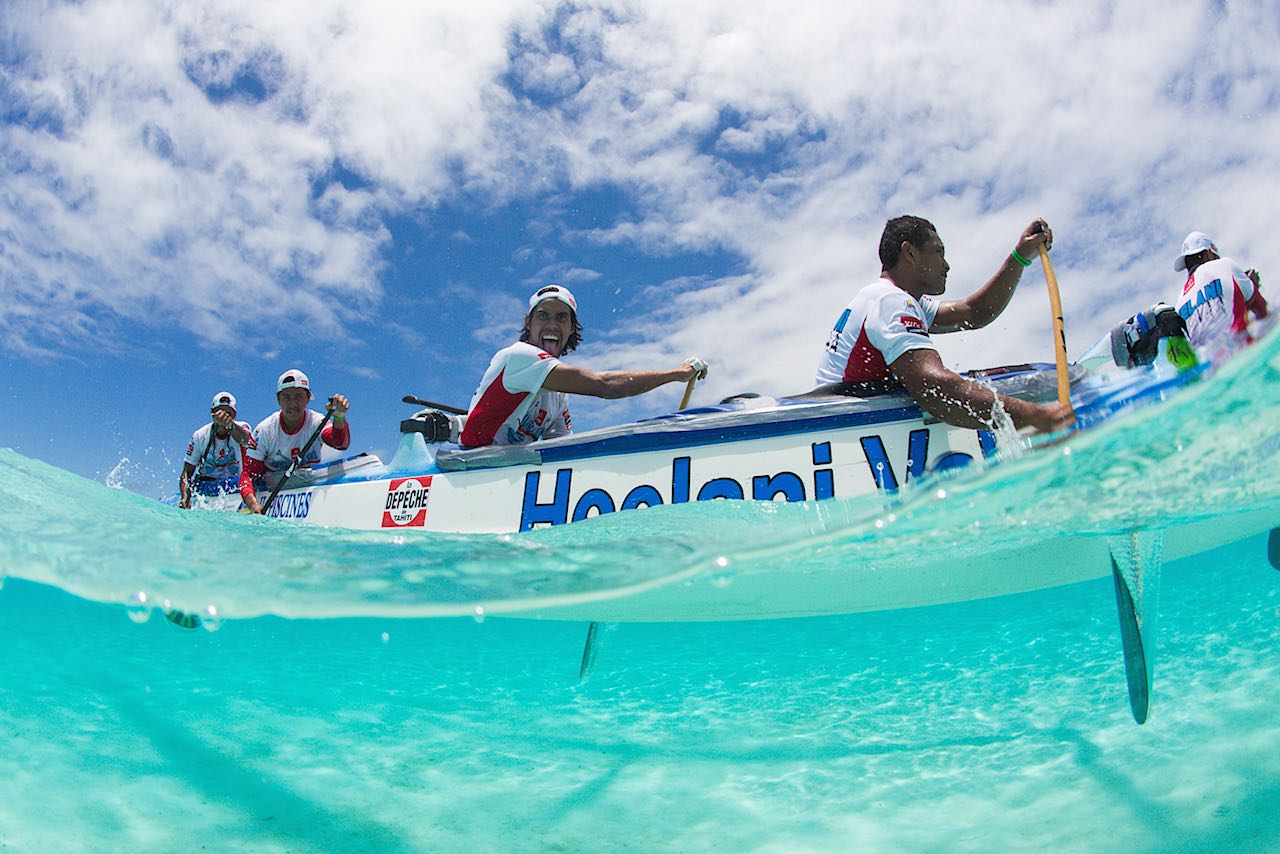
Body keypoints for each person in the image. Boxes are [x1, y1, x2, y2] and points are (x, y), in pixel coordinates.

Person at [815, 215, 1074, 432]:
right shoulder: (889, 301)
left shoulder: (893, 298)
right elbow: (934, 389)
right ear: (910, 253)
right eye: (939, 252)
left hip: (848, 418)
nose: (947, 266)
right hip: (841, 424)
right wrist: (1033, 416)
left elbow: (974, 312)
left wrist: (1020, 257)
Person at [460, 284, 709, 447]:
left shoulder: (558, 395)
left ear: (571, 329)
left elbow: (561, 449)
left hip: (504, 475)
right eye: (543, 315)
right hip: (469, 471)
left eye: (561, 317)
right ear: (529, 324)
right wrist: (679, 374)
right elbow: (604, 385)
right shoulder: (520, 356)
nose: (552, 324)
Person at [240, 369, 350, 513]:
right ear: (278, 399)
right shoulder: (264, 430)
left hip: (305, 483)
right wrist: (253, 504)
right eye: (286, 397)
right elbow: (247, 474)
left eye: (298, 396)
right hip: (270, 488)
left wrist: (339, 417)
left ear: (308, 397)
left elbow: (340, 444)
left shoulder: (317, 422)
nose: (292, 404)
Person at [1172, 231, 1268, 358]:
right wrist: (1251, 289)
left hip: (1213, 372)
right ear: (1209, 253)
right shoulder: (1225, 264)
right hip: (1243, 354)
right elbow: (1262, 311)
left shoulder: (1180, 303)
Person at [178, 391, 256, 509]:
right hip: (205, 488)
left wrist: (230, 425)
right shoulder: (199, 436)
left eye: (228, 413)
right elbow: (186, 473)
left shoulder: (243, 427)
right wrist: (185, 497)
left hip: (235, 486)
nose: (223, 417)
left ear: (234, 416)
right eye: (220, 412)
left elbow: (246, 441)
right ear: (212, 413)